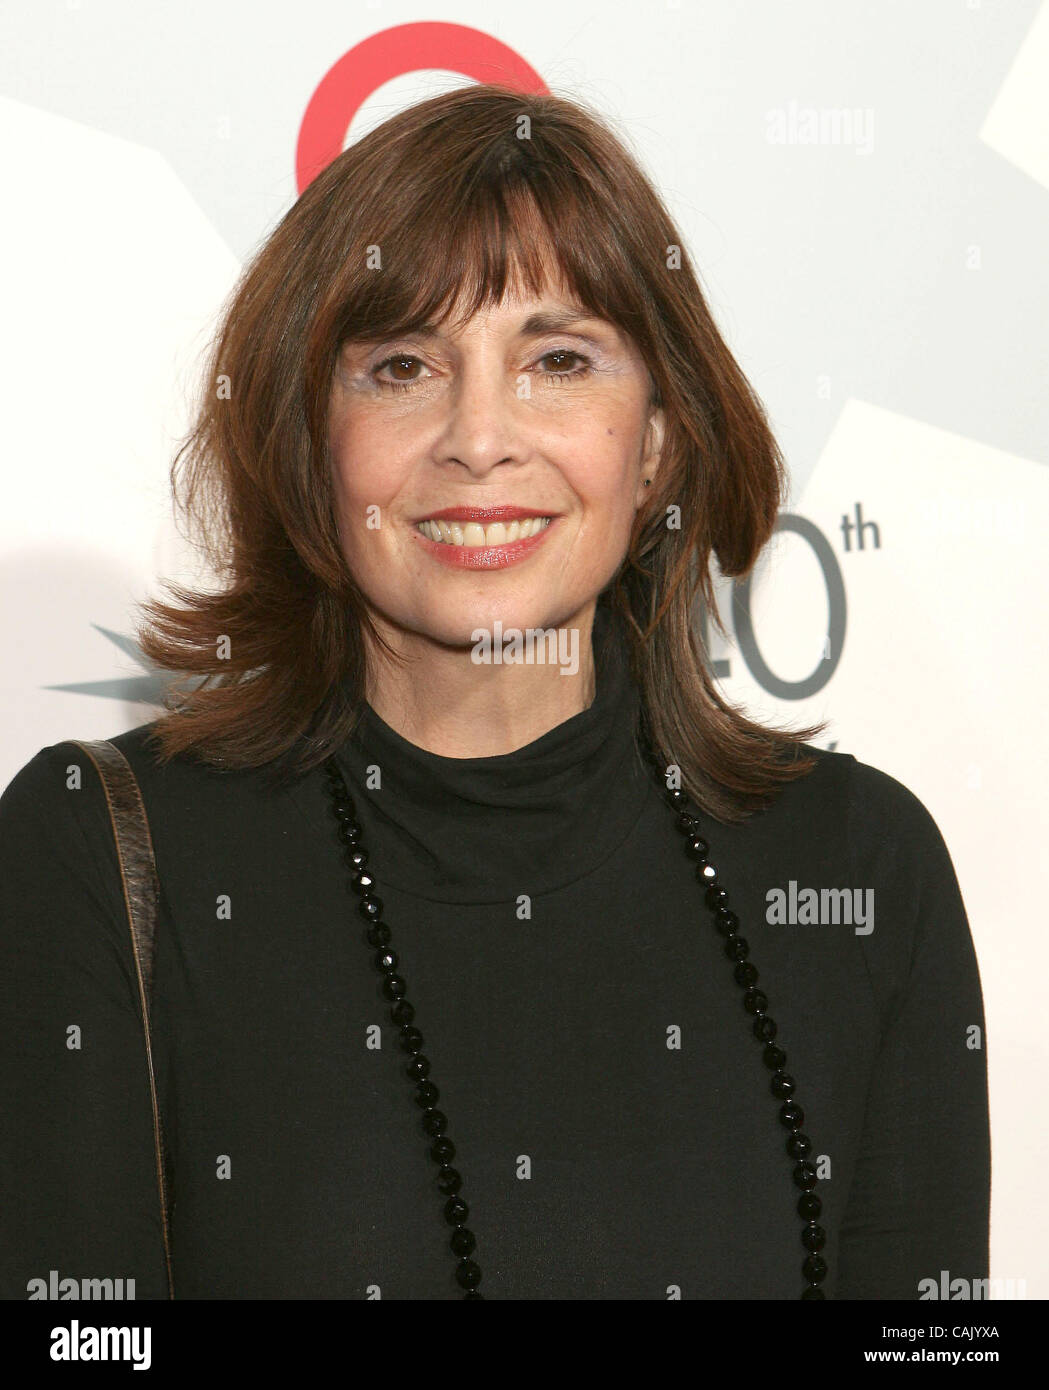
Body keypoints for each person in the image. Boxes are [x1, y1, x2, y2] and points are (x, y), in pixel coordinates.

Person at [0, 83, 989, 1300]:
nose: (479, 437)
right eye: (403, 364)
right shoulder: (98, 853)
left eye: (556, 360)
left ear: (659, 442)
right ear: (313, 443)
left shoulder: (858, 866)